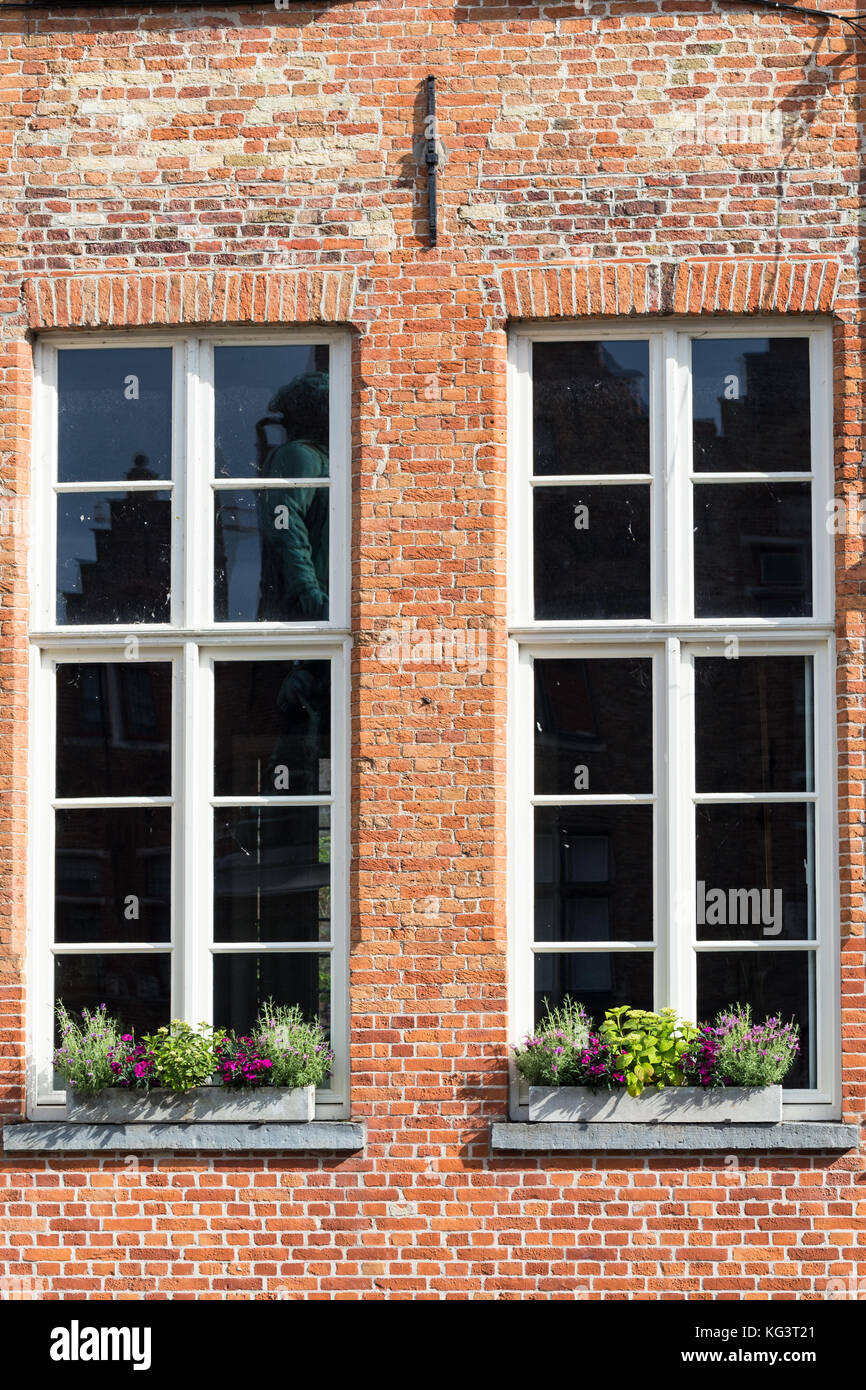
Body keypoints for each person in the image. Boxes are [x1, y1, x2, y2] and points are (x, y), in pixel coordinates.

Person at [255, 371, 329, 621]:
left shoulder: (326, 457)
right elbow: (287, 531)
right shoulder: (300, 455)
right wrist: (312, 597)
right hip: (306, 610)